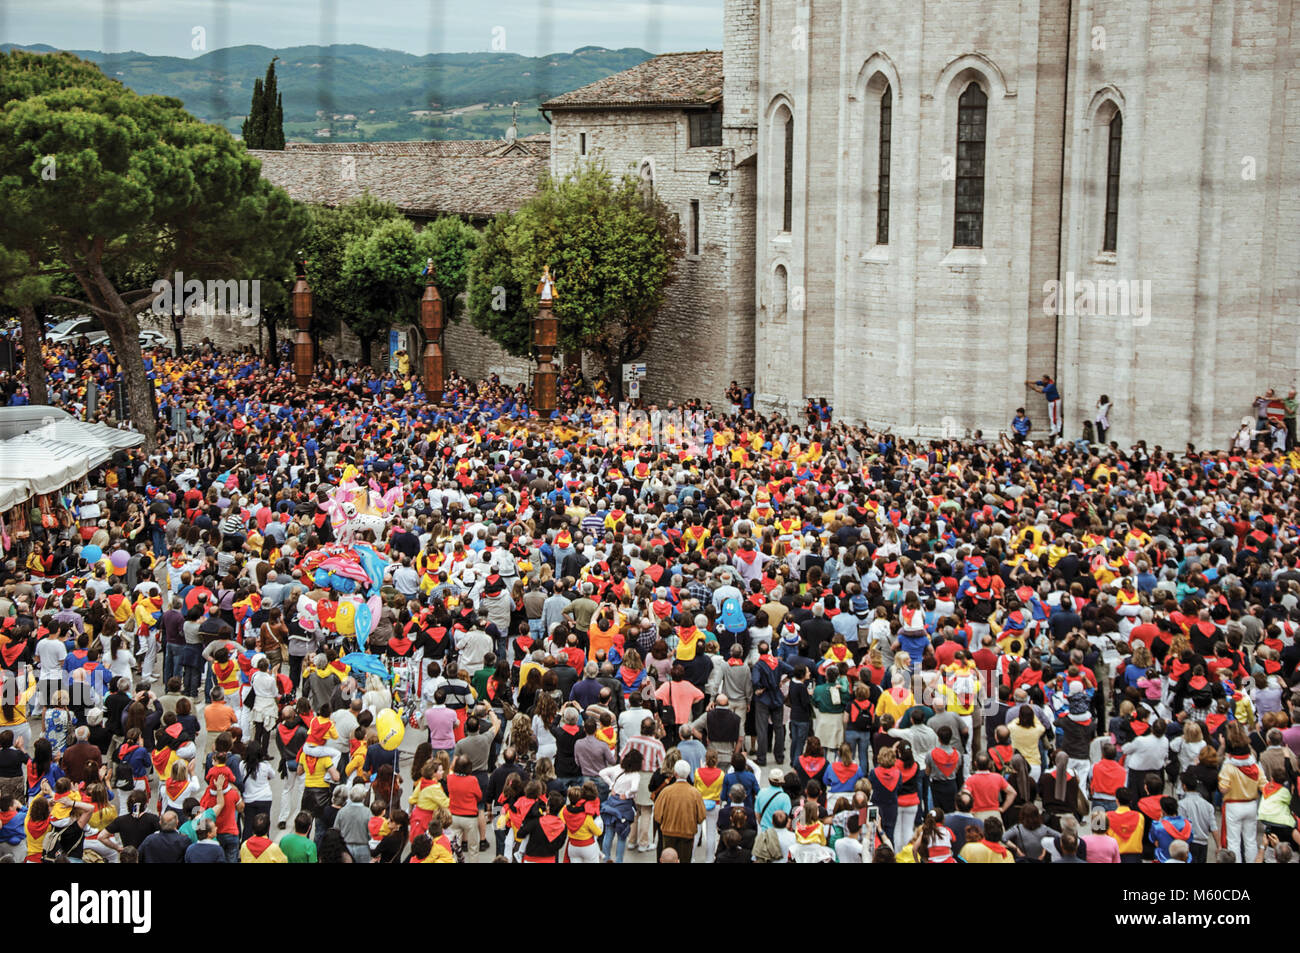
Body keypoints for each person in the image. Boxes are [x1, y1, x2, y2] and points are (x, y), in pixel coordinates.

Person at [653, 760, 706, 862]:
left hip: (668, 833)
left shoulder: (666, 792)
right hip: (687, 833)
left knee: (668, 859)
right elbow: (701, 816)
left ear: (675, 774)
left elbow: (657, 815)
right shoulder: (695, 793)